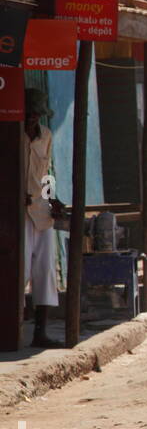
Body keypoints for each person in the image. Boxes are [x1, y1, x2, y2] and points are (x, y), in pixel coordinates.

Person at [23, 89, 62, 347]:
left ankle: (41, 332)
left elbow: (46, 173)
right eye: (30, 115)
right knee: (19, 270)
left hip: (41, 211)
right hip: (17, 214)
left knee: (46, 271)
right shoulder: (10, 134)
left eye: (37, 115)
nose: (33, 120)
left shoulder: (45, 135)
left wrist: (53, 198)